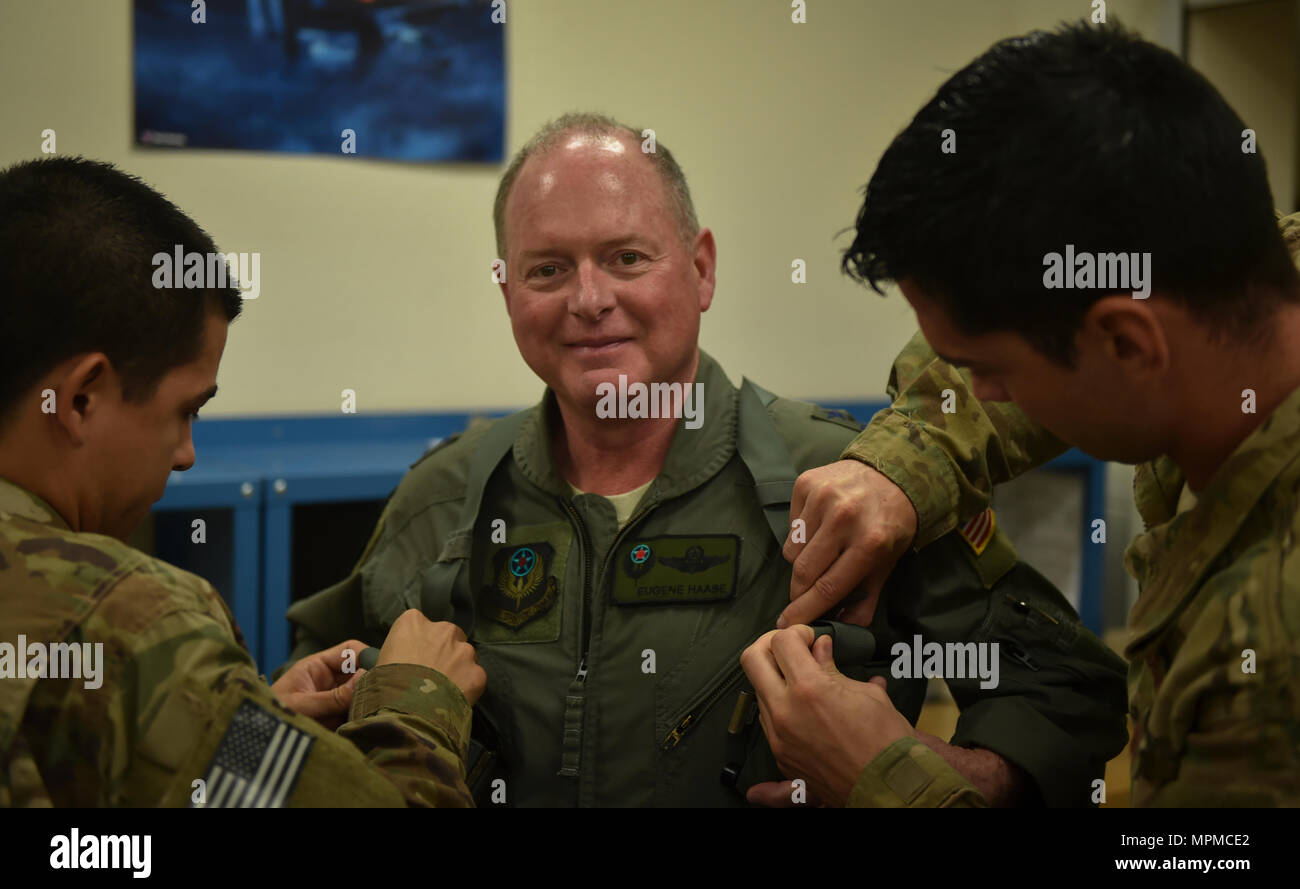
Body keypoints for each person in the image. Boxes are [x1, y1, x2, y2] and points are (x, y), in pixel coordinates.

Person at [285, 113, 1128, 807]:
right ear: (509, 292)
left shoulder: (846, 487)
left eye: (626, 257)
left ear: (700, 269)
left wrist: (921, 780)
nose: (589, 299)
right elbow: (287, 702)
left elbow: (1068, 693)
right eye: (549, 269)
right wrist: (292, 710)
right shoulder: (448, 497)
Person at [756, 21, 1300, 807]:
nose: (977, 399)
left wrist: (892, 787)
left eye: (987, 371)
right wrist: (904, 463)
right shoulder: (1244, 275)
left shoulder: (1267, 655)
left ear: (1125, 340)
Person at [0, 156, 485, 808]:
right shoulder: (132, 619)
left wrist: (232, 730)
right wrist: (420, 695)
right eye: (184, 412)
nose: (186, 455)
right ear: (82, 400)